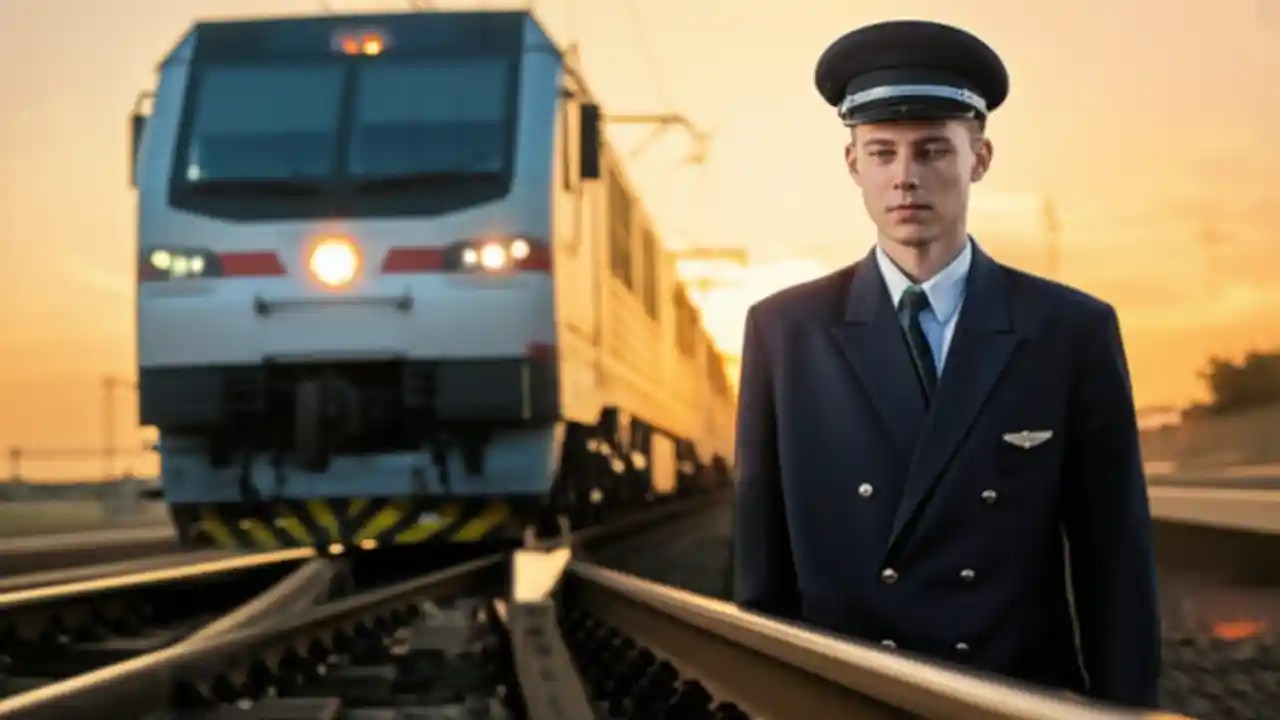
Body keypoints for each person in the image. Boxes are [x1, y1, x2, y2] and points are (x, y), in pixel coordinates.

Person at [731, 18, 1162, 708]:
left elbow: (1115, 556)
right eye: (881, 153)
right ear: (853, 165)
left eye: (932, 151)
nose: (905, 178)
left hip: (1016, 700)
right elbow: (762, 569)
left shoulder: (1069, 330)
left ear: (979, 158)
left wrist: (1127, 710)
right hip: (847, 702)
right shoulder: (785, 332)